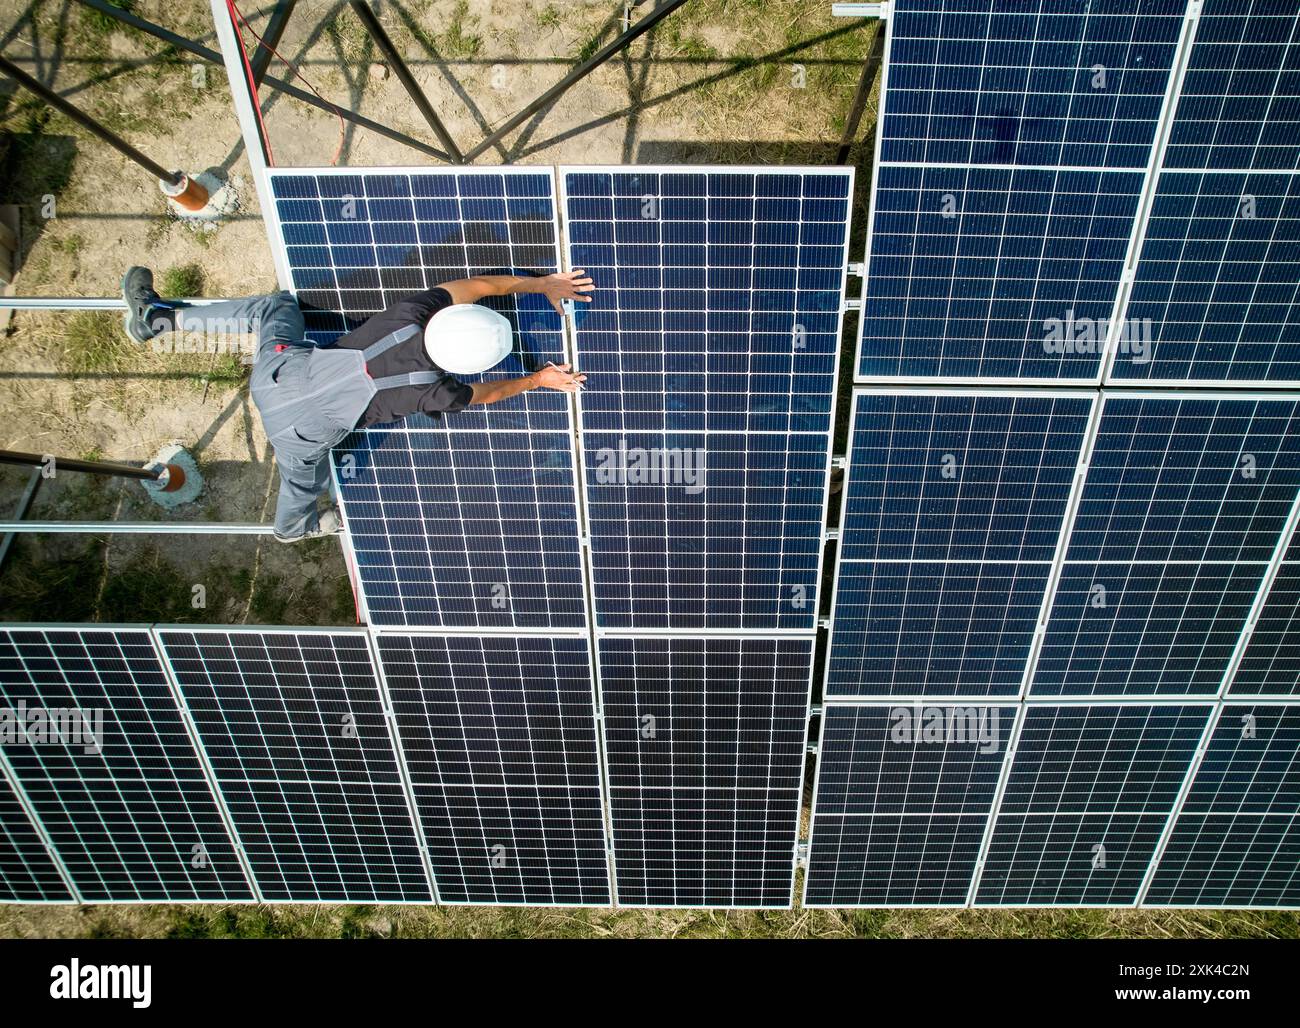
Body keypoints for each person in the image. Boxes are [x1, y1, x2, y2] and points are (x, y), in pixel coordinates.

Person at [119, 266, 592, 542]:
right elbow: (491, 392)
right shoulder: (437, 392)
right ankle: (293, 530)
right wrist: (538, 379)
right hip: (299, 436)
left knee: (274, 309)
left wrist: (541, 283)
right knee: (302, 486)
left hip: (278, 373)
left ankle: (159, 320)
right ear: (468, 365)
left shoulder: (416, 312)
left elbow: (483, 288)